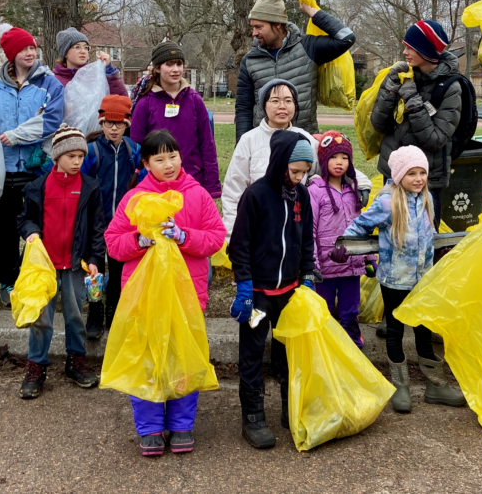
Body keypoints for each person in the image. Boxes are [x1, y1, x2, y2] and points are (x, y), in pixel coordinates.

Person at [104, 130, 226, 456]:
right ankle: (150, 427)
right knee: (147, 361)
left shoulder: (197, 195)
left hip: (187, 294)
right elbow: (113, 243)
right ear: (146, 164)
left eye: (172, 156)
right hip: (145, 297)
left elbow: (216, 237)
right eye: (159, 159)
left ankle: (182, 424)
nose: (168, 164)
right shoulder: (135, 199)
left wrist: (185, 236)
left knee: (183, 358)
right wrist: (138, 241)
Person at [344, 146, 464, 414]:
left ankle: (435, 385)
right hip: (395, 281)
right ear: (399, 175)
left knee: (423, 329)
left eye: (422, 172)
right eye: (412, 173)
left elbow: (430, 232)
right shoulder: (387, 202)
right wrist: (344, 245)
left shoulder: (427, 198)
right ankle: (401, 386)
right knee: (396, 331)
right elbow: (358, 226)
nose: (419, 178)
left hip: (423, 279)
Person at [228, 130, 317, 450]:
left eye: (305, 172)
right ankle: (252, 417)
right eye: (295, 171)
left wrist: (307, 275)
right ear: (280, 163)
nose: (299, 178)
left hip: (289, 294)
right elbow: (239, 246)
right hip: (258, 296)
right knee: (251, 356)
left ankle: (288, 409)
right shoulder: (255, 195)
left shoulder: (302, 197)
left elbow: (307, 239)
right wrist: (245, 285)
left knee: (287, 354)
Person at [16, 125, 106, 399]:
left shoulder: (90, 187)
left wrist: (94, 259)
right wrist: (31, 232)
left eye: (81, 155)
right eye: (71, 156)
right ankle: (36, 365)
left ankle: (75, 361)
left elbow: (97, 229)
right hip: (44, 266)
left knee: (75, 315)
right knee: (41, 317)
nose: (77, 161)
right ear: (57, 157)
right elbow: (25, 218)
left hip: (76, 266)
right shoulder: (38, 186)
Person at [0, 24, 65, 307]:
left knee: (38, 228)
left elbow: (52, 121)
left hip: (38, 168)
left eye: (33, 47)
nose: (30, 53)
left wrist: (16, 135)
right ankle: (7, 281)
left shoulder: (50, 83)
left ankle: (30, 278)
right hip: (5, 170)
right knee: (4, 230)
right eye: (23, 49)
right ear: (11, 55)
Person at [370, 21, 464, 228]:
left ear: (427, 51)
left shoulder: (451, 87)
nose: (404, 52)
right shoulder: (404, 75)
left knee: (424, 243)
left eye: (410, 47)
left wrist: (413, 100)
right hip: (393, 173)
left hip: (426, 181)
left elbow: (436, 139)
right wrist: (389, 91)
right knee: (392, 236)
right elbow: (379, 125)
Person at [235, 0, 356, 140]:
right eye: (253, 27)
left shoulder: (308, 47)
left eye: (259, 27)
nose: (254, 33)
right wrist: (243, 147)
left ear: (277, 24)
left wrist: (312, 12)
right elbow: (243, 109)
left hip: (302, 143)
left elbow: (346, 37)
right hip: (264, 144)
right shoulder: (249, 60)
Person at [222, 79, 319, 235]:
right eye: (275, 101)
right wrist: (232, 234)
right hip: (259, 226)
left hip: (295, 226)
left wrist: (359, 182)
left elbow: (331, 167)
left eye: (288, 100)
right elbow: (234, 189)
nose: (282, 106)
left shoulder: (304, 139)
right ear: (264, 105)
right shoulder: (249, 140)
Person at [129, 41, 220, 199]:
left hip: (192, 179)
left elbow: (207, 144)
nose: (176, 69)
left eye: (179, 64)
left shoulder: (195, 100)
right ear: (157, 68)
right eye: (169, 64)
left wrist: (212, 185)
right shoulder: (145, 103)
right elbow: (136, 148)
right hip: (157, 184)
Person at [81, 94, 140, 334]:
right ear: (101, 122)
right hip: (96, 221)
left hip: (122, 223)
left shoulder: (133, 151)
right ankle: (95, 310)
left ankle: (114, 309)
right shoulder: (91, 151)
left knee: (117, 271)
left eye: (119, 123)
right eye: (109, 123)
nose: (114, 128)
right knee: (95, 268)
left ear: (127, 123)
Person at [309, 130, 373, 348]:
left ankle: (353, 350)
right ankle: (326, 351)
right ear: (324, 160)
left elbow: (360, 227)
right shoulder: (315, 192)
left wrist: (368, 257)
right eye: (334, 157)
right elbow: (311, 229)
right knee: (323, 311)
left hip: (351, 266)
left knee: (350, 312)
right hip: (325, 269)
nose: (339, 163)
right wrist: (313, 264)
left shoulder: (353, 190)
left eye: (344, 158)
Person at [51, 26, 129, 96]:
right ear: (65, 53)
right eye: (77, 47)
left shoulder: (94, 76)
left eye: (86, 47)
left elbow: (122, 100)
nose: (83, 51)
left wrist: (111, 74)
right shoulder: (53, 80)